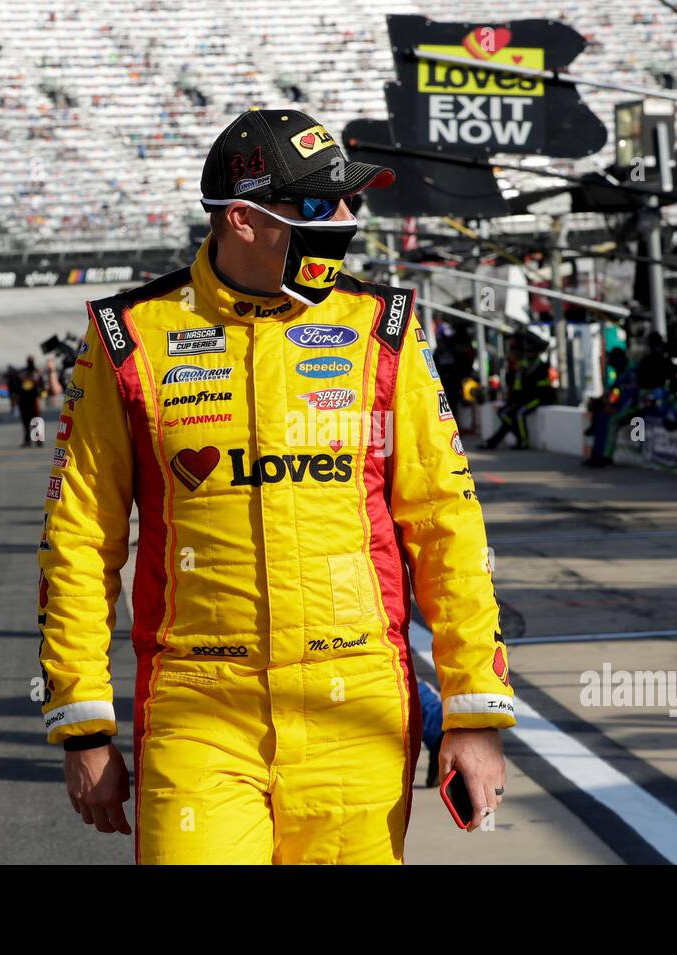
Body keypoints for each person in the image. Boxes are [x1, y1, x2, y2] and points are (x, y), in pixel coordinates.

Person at [38, 108, 514, 865]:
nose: (348, 221)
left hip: (355, 702)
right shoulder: (129, 337)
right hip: (198, 703)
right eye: (322, 206)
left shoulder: (384, 328)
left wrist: (473, 711)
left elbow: (446, 522)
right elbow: (79, 536)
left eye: (350, 201)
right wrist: (83, 724)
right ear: (242, 219)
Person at [480, 338, 551, 450]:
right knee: (503, 413)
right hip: (522, 399)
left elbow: (541, 390)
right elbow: (516, 387)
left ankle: (522, 441)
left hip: (537, 399)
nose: (510, 354)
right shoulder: (520, 366)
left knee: (518, 414)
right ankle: (493, 442)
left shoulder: (538, 366)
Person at [15, 356, 44, 448]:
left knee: (36, 421)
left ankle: (38, 440)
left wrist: (40, 396)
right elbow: (17, 387)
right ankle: (27, 440)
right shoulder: (23, 373)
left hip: (34, 400)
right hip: (24, 400)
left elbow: (41, 386)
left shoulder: (37, 372)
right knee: (26, 421)